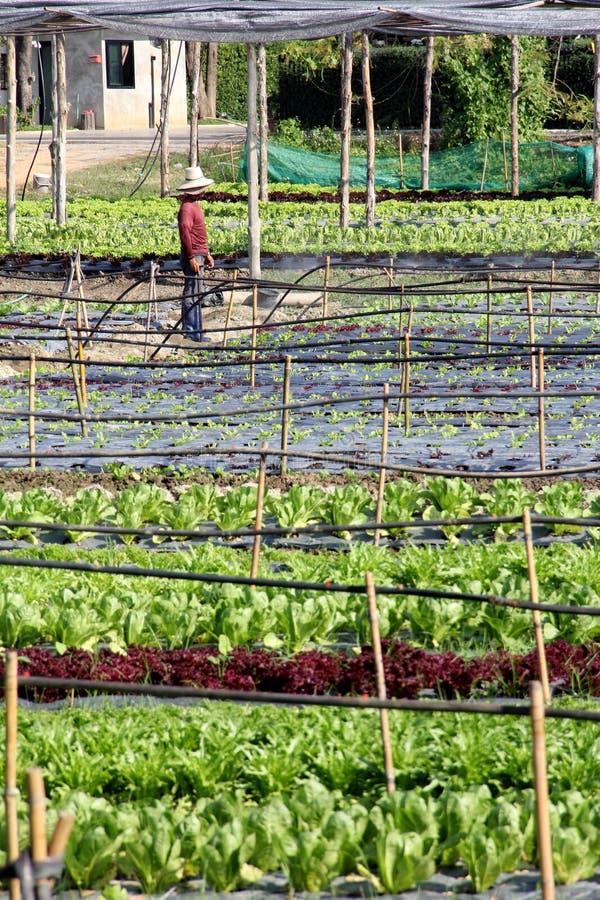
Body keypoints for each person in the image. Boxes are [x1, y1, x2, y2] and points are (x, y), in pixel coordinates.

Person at [176, 165, 215, 341]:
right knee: (192, 293)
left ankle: (197, 330)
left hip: (200, 253)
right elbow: (185, 233)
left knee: (197, 292)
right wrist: (192, 257)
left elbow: (199, 233)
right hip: (193, 256)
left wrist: (206, 253)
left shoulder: (194, 205)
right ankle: (191, 331)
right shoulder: (187, 208)